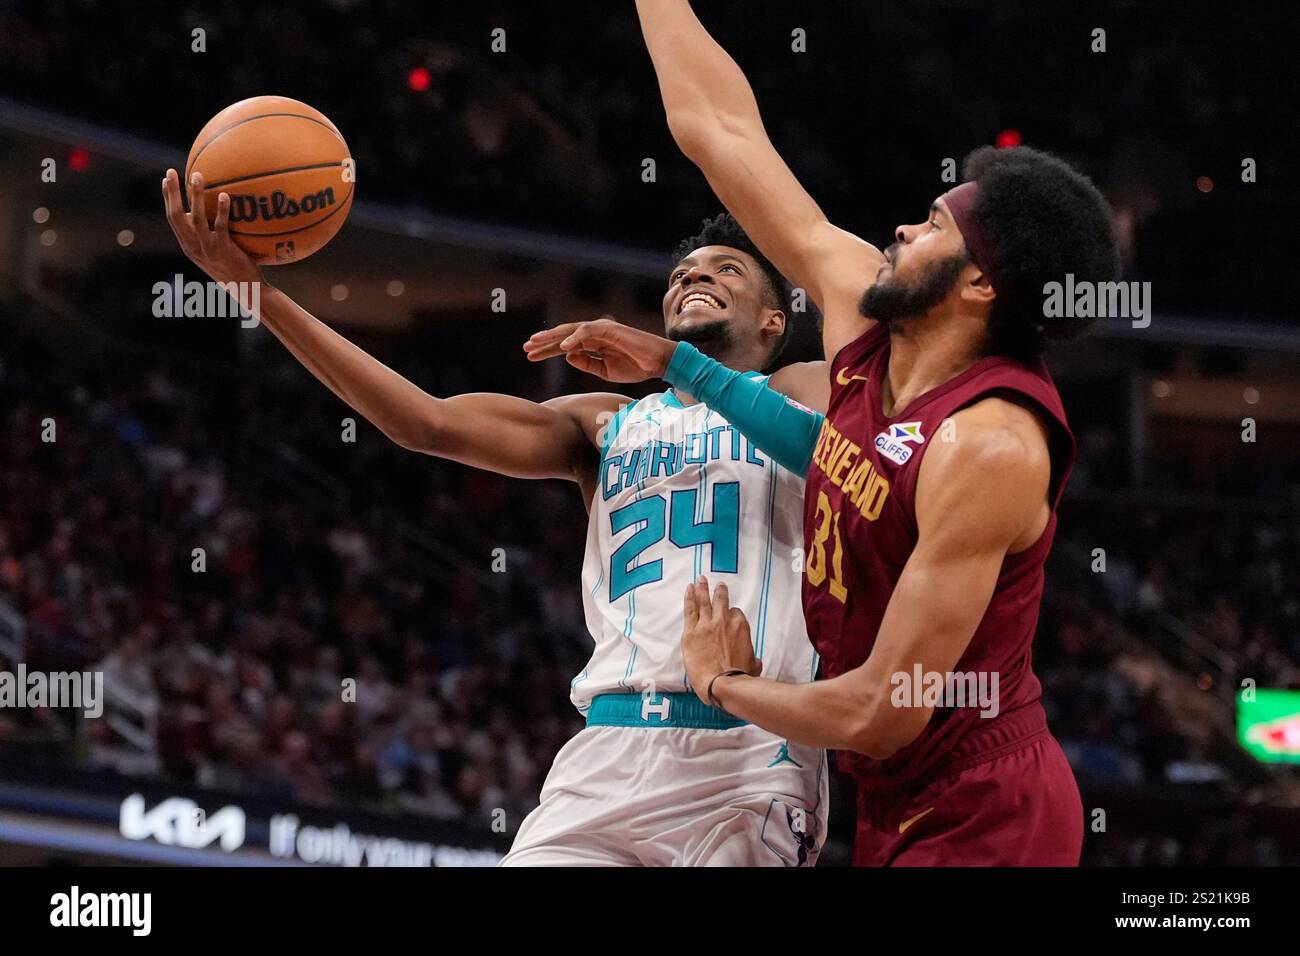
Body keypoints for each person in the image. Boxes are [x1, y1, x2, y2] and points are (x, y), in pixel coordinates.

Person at [541, 0, 1121, 865]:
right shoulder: (863, 319)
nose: (900, 227)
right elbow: (719, 128)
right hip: (887, 795)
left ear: (979, 288)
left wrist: (725, 686)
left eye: (932, 227)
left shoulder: (989, 444)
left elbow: (878, 714)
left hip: (987, 805)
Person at [163, 170, 828, 865]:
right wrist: (255, 293)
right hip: (607, 751)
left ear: (773, 320)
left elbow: (836, 455)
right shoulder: (603, 423)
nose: (696, 276)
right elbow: (426, 423)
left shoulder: (800, 387)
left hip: (747, 748)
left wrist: (676, 363)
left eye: (727, 269)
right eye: (683, 271)